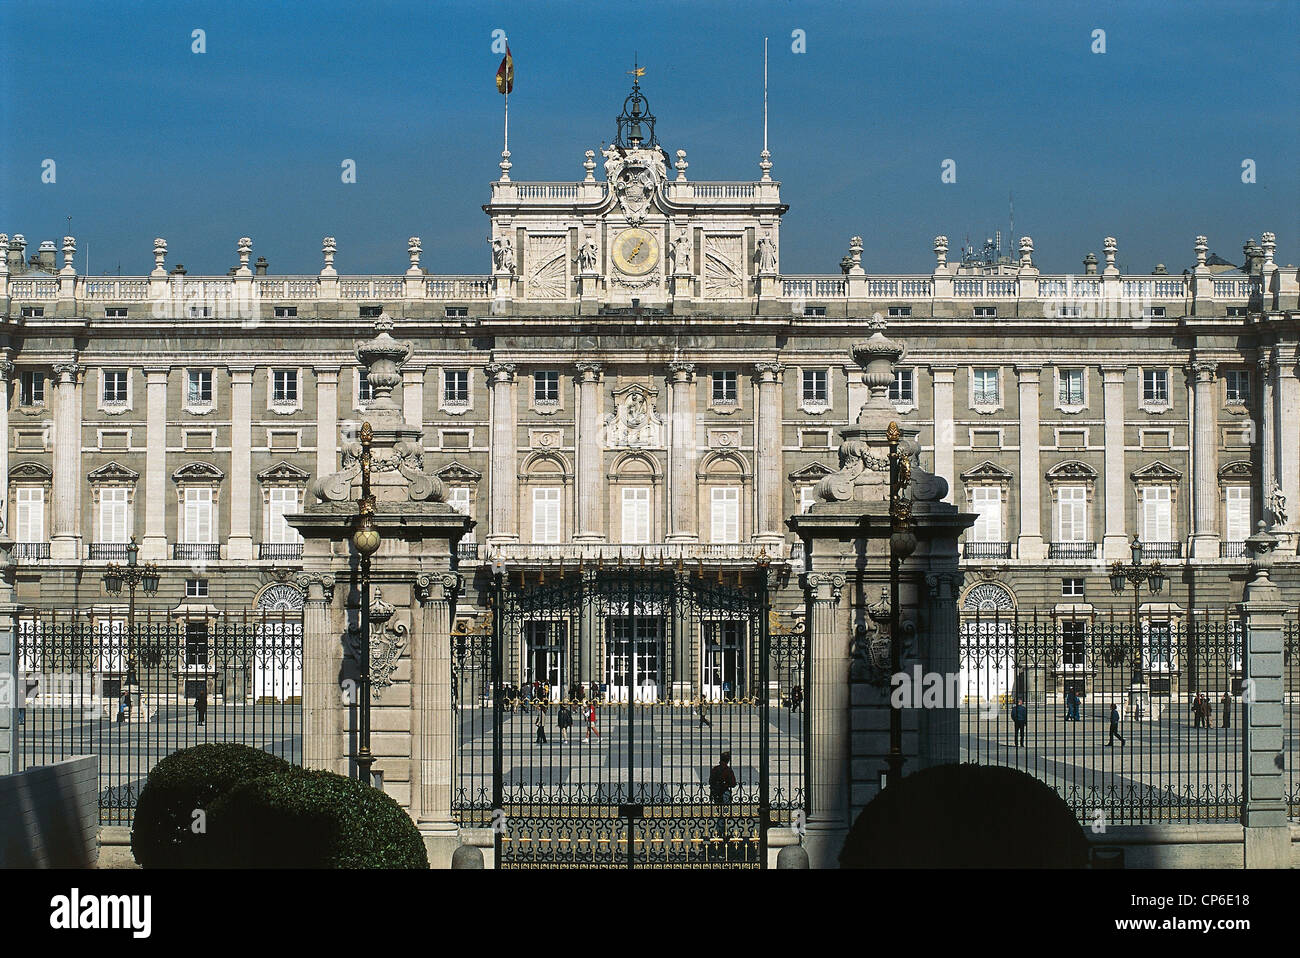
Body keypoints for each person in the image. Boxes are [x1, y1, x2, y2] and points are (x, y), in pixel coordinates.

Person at [709, 750, 738, 840]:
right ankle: (719, 832)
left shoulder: (715, 769)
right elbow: (733, 783)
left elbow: (711, 781)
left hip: (716, 793)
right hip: (725, 793)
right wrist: (726, 784)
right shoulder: (728, 770)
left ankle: (721, 831)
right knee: (723, 814)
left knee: (721, 813)